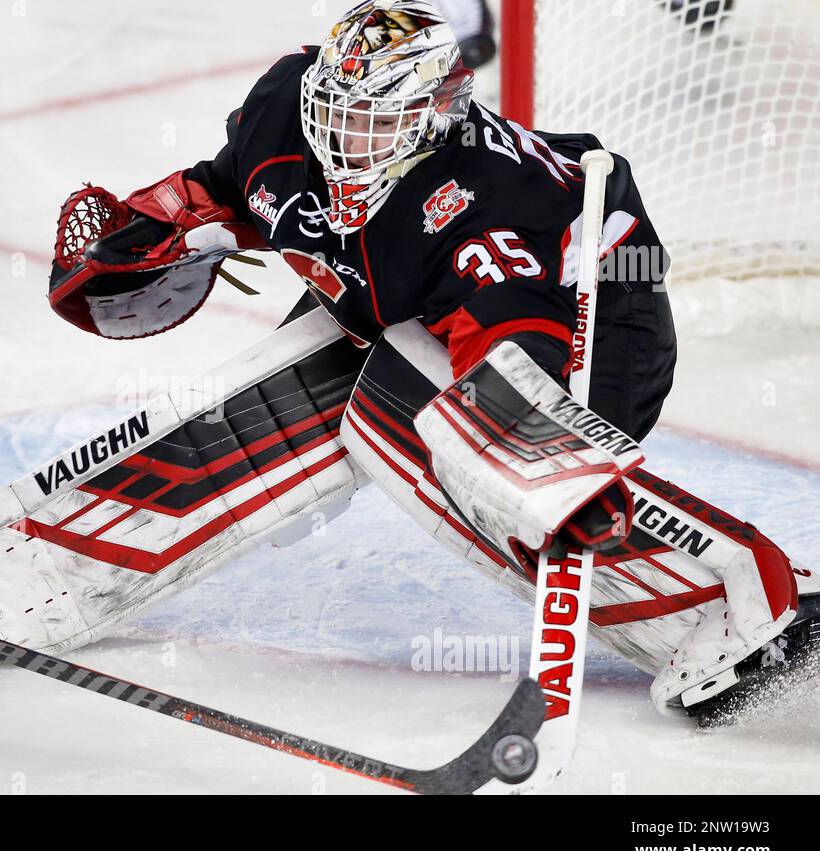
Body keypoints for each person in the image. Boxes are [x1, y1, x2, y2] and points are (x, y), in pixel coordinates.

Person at [46, 0, 817, 723]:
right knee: (306, 392)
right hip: (418, 294)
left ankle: (754, 605)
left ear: (428, 121)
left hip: (598, 326)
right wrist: (157, 223)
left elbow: (514, 364)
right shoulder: (286, 105)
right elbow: (230, 189)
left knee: (451, 445)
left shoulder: (476, 208)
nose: (342, 142)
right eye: (335, 117)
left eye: (370, 125)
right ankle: (62, 565)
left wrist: (528, 456)